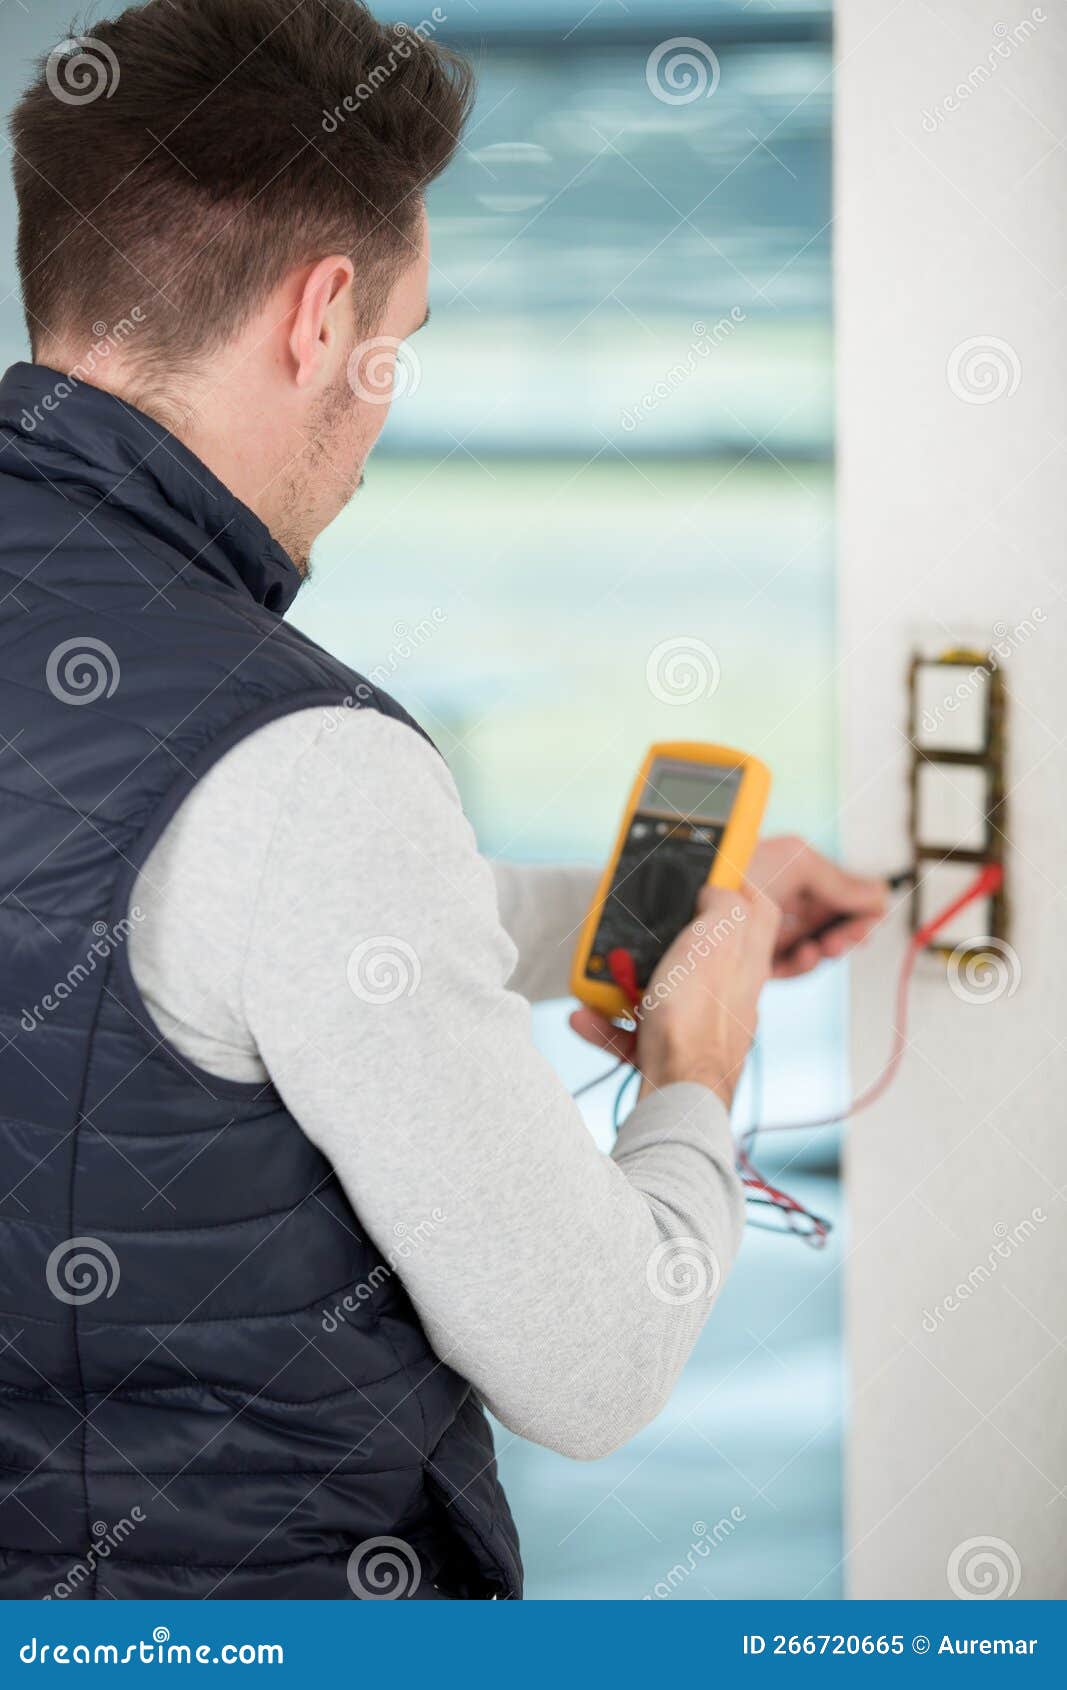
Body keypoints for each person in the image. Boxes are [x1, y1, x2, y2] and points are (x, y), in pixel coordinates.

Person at [0, 0, 886, 1600]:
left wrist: (600, 923)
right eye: (410, 333)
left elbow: (123, 933)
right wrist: (695, 1062)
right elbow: (597, 1360)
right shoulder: (307, 761)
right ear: (322, 314)